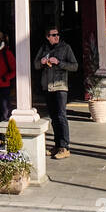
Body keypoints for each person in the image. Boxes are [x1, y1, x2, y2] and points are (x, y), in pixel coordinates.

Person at [34, 27, 78, 159]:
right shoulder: (44, 49)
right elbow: (36, 65)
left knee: (61, 116)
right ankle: (57, 145)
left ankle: (65, 147)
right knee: (53, 117)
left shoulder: (65, 48)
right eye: (53, 35)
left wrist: (59, 62)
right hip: (48, 86)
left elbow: (74, 66)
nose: (56, 37)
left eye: (58, 34)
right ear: (48, 37)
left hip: (60, 86)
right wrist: (42, 62)